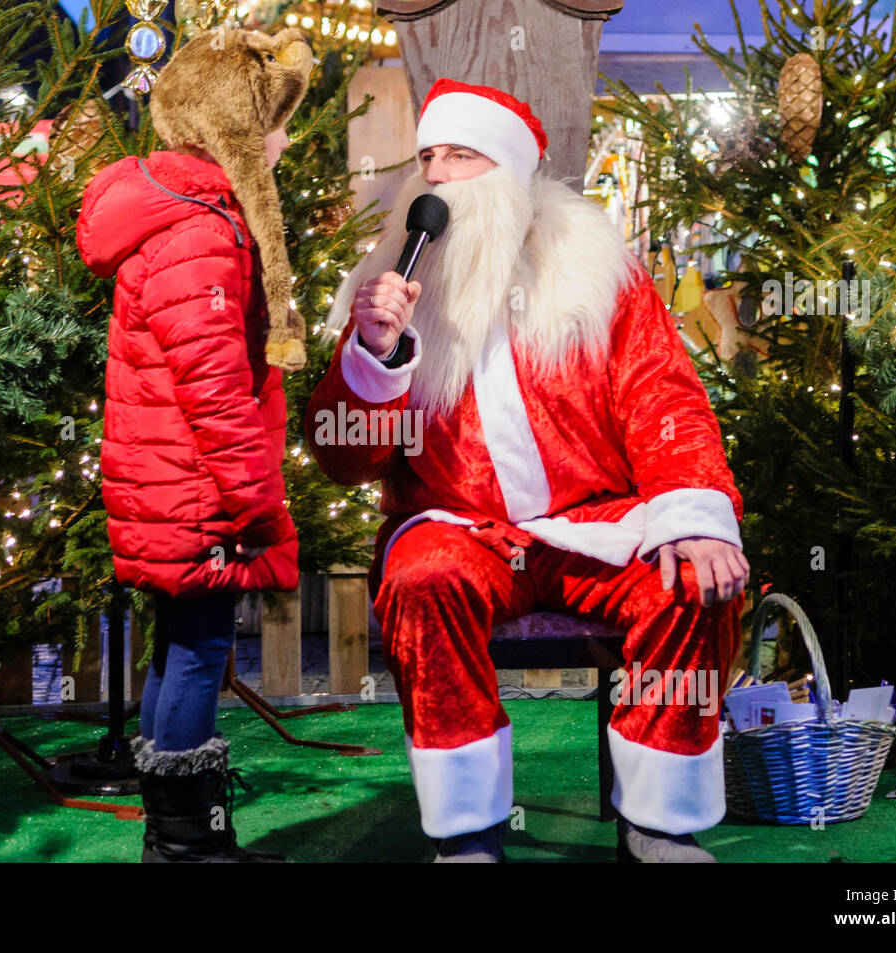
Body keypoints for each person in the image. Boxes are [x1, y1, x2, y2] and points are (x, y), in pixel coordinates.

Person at [306, 78, 750, 863]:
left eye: (461, 156)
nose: (437, 175)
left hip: (597, 527)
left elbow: (661, 397)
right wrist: (374, 357)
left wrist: (694, 511)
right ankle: (468, 830)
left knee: (691, 578)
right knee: (420, 577)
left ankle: (657, 821)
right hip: (461, 529)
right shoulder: (387, 287)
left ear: (508, 173)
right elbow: (344, 459)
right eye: (429, 156)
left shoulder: (599, 272)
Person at [76, 26, 313, 863]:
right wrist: (258, 503)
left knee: (181, 644)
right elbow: (214, 390)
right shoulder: (204, 232)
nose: (283, 140)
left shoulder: (186, 213)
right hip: (193, 489)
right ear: (233, 126)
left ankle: (178, 838)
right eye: (271, 121)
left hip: (168, 483)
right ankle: (183, 846)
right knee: (200, 647)